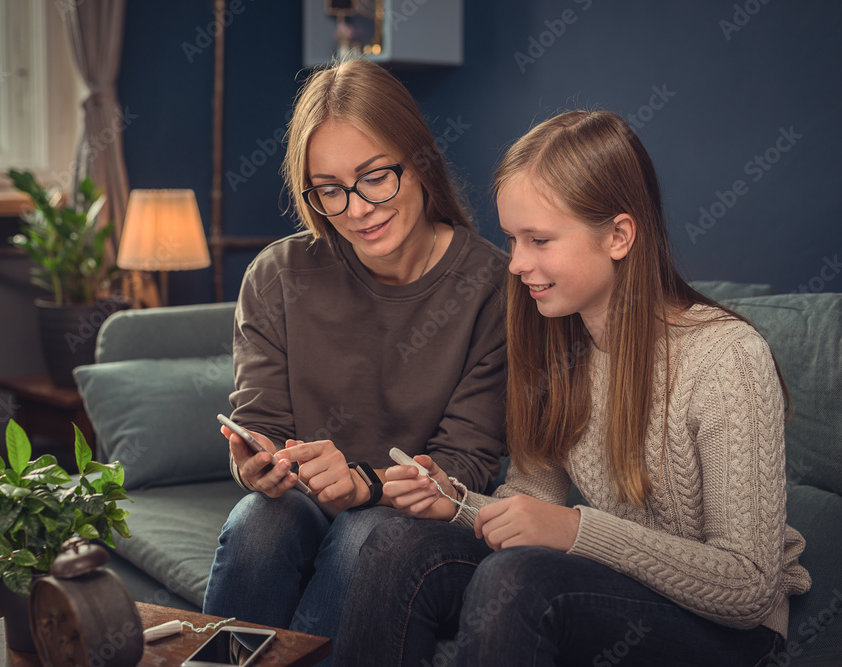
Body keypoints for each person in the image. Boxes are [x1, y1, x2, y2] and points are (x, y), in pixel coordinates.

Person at [333, 109, 811, 666]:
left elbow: (748, 587)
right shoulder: (557, 341)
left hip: (732, 632)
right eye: (512, 239)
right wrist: (454, 503)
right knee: (399, 542)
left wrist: (577, 529)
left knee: (520, 580)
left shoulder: (727, 357)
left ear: (619, 236)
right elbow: (532, 501)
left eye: (539, 240)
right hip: (616, 585)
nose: (516, 264)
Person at [201, 57, 509, 659]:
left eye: (375, 177)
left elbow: (463, 466)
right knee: (256, 524)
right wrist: (256, 465)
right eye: (330, 190)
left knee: (363, 536)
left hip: (412, 518)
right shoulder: (277, 275)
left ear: (419, 161)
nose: (358, 208)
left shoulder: (493, 287)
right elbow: (261, 423)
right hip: (303, 505)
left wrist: (363, 485)